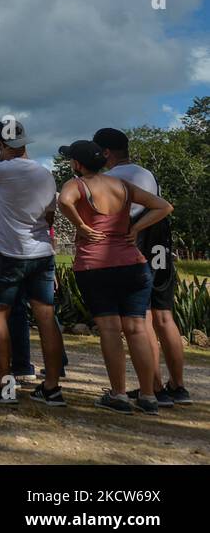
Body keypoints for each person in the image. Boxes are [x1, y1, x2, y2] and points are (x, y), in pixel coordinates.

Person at [56, 139, 169, 414]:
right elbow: (163, 206)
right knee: (137, 328)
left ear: (78, 164)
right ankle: (148, 395)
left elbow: (63, 201)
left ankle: (118, 394)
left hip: (96, 265)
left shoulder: (78, 185)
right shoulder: (122, 186)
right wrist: (135, 228)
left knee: (110, 329)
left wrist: (81, 225)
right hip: (132, 263)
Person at [0, 119, 64, 405]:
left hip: (9, 252)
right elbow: (50, 218)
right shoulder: (46, 174)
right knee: (46, 318)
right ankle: (52, 387)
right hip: (41, 254)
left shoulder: (0, 169)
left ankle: (4, 385)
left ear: (0, 143)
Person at [94, 128, 190, 406]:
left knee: (142, 318)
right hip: (162, 242)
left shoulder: (108, 179)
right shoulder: (146, 173)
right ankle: (178, 386)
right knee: (165, 316)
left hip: (138, 243)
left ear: (106, 153)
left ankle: (155, 386)